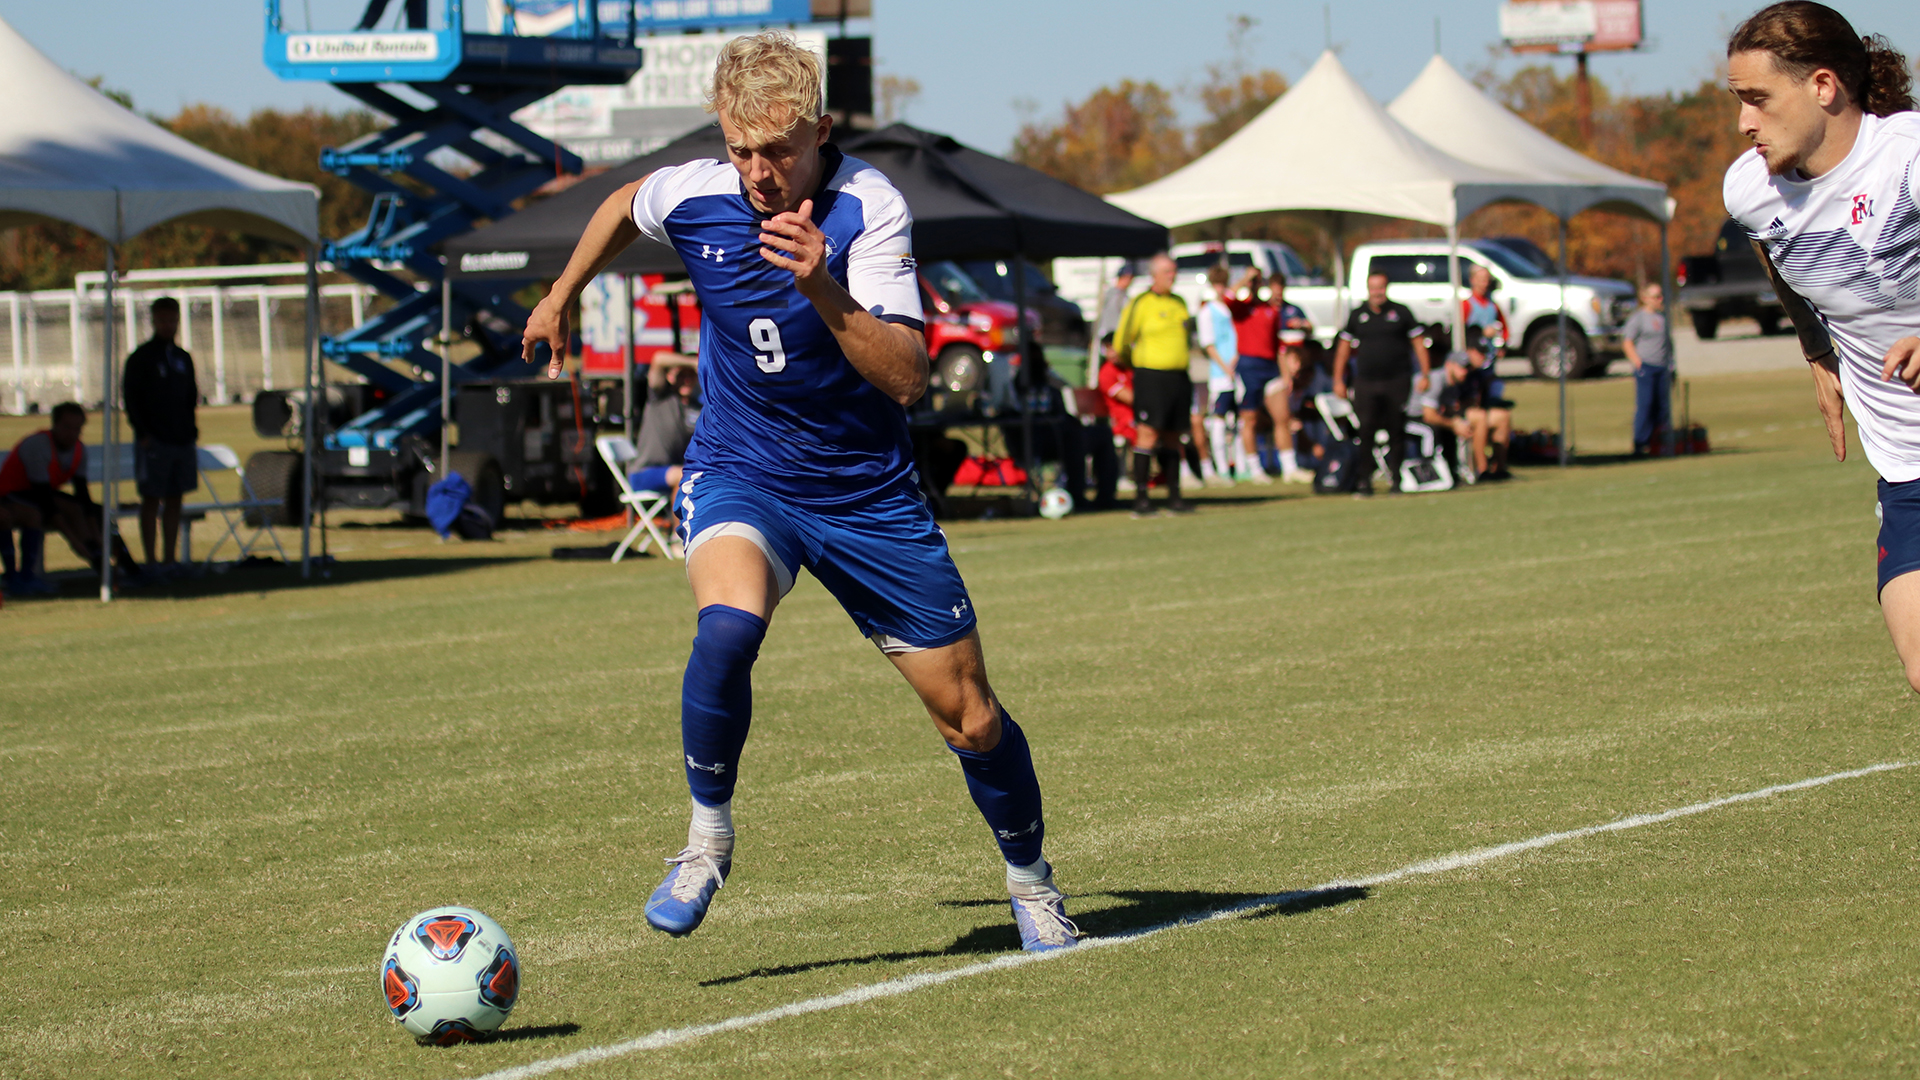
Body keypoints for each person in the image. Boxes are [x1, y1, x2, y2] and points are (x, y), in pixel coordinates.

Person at [519, 31, 1077, 951]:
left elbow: (907, 380)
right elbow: (624, 201)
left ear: (820, 130)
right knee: (727, 629)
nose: (758, 171)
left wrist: (821, 283)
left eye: (778, 149)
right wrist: (562, 293)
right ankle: (706, 840)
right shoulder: (699, 191)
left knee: (971, 717)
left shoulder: (870, 208)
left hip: (867, 496)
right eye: (741, 149)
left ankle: (1031, 883)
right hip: (745, 471)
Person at [1723, 2, 1920, 691]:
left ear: (1824, 87)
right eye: (1738, 101)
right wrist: (1816, 349)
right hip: (1908, 466)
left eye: (1757, 100)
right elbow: (1772, 248)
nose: (1744, 122)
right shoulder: (1751, 188)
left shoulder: (1906, 157)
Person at [0, 402, 141, 582]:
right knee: (68, 511)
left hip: (40, 495)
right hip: (13, 494)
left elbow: (82, 493)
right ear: (55, 425)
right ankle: (95, 559)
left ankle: (127, 566)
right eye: (67, 427)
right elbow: (45, 499)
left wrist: (96, 531)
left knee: (98, 513)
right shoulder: (38, 445)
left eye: (77, 428)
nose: (72, 434)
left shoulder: (79, 449)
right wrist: (73, 538)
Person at [1332, 271, 1431, 495]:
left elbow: (1418, 343)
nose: (1377, 292)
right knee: (1365, 430)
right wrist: (1338, 379)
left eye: (1381, 287)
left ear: (1387, 288)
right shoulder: (1358, 315)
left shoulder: (1401, 313)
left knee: (1397, 429)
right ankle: (1364, 481)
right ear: (1368, 290)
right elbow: (1343, 349)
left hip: (1397, 380)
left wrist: (1425, 374)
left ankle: (1396, 480)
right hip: (1366, 382)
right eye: (1373, 288)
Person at [1112, 252, 1196, 516]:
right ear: (1154, 275)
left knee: (1174, 435)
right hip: (1151, 376)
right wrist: (1132, 363)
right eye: (1167, 272)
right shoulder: (1142, 303)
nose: (1172, 277)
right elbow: (1122, 341)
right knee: (1148, 433)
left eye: (1174, 271)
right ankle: (1141, 499)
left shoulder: (1180, 303)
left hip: (1178, 377)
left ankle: (1174, 497)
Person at [123, 297, 199, 571]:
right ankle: (151, 560)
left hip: (181, 439)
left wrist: (191, 430)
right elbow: (130, 398)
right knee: (152, 498)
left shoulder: (182, 357)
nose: (168, 325)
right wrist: (143, 433)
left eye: (173, 320)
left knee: (176, 498)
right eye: (163, 320)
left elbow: (191, 396)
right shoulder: (141, 357)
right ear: (154, 321)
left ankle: (170, 558)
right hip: (154, 440)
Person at [627, 353, 699, 495]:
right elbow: (658, 359)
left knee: (702, 477)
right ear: (671, 377)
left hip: (676, 470)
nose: (686, 380)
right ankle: (679, 518)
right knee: (686, 477)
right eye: (682, 375)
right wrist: (693, 363)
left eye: (690, 376)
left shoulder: (697, 408)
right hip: (645, 472)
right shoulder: (659, 397)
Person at [1196, 265, 1243, 481]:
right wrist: (1225, 367)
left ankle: (1240, 466)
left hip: (1234, 371)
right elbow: (1209, 344)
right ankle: (1221, 467)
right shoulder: (1207, 312)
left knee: (1237, 421)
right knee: (1218, 420)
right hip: (1220, 374)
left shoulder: (1227, 308)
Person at [1621, 283, 1673, 456]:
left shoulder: (1663, 318)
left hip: (1662, 367)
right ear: (1645, 298)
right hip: (1646, 367)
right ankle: (1641, 443)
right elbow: (1627, 341)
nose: (1660, 300)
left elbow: (1668, 343)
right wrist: (1637, 362)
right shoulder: (1638, 318)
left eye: (1661, 296)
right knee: (1646, 404)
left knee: (1662, 407)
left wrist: (1672, 365)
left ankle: (1660, 441)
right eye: (1656, 296)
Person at [1091, 262, 1137, 347]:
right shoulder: (1116, 295)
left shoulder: (1114, 294)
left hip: (1110, 336)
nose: (1130, 281)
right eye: (1128, 278)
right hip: (1110, 336)